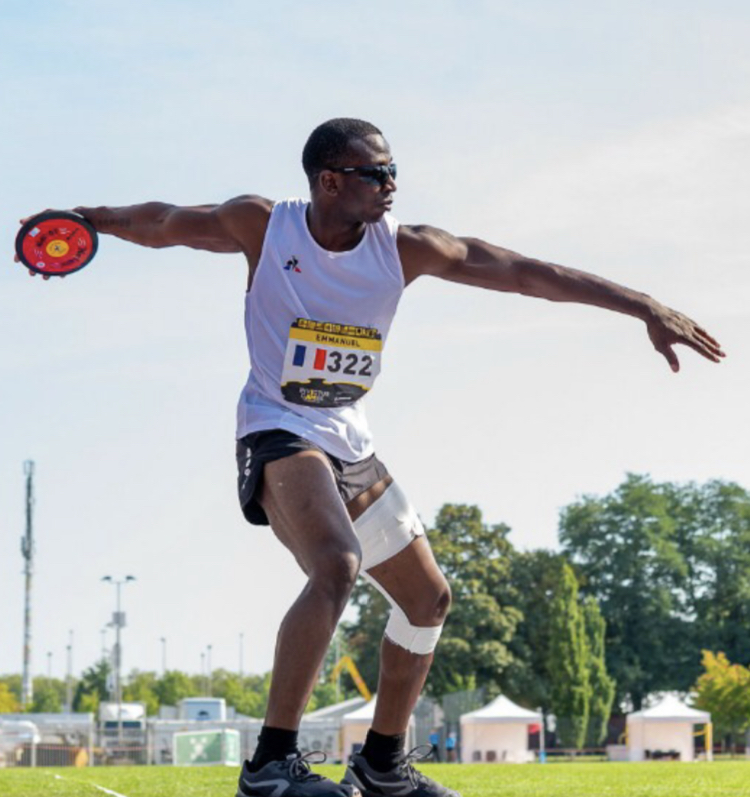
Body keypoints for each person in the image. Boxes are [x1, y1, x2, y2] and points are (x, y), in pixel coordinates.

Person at [18, 118, 724, 797]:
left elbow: (520, 271)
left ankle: (384, 765)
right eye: (376, 172)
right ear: (330, 181)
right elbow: (165, 220)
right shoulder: (263, 225)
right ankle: (271, 763)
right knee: (336, 563)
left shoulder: (406, 247)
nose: (392, 184)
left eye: (394, 171)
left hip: (350, 440)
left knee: (427, 597)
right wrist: (85, 221)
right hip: (278, 427)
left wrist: (641, 304)